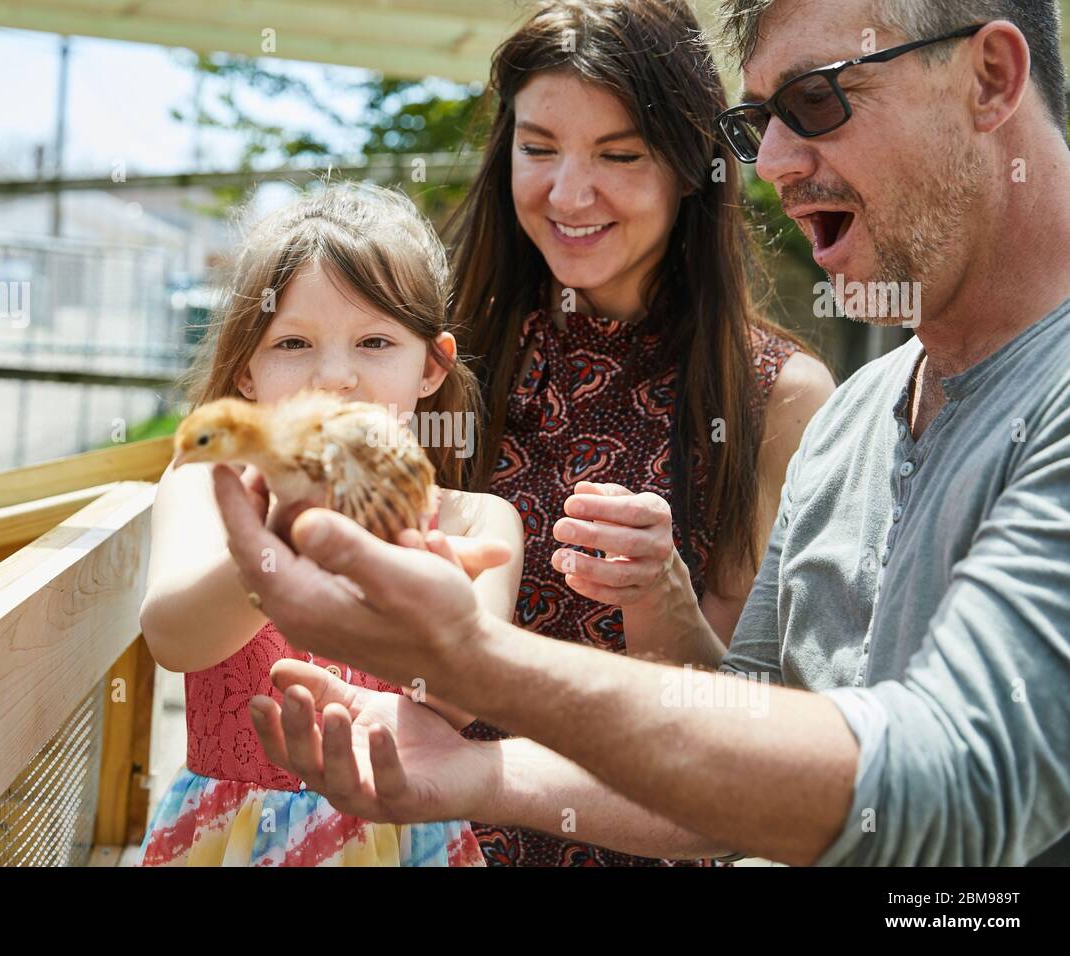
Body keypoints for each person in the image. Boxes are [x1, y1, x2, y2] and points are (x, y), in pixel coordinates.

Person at [221, 0, 1070, 865]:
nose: (771, 161)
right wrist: (479, 775)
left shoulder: (809, 394)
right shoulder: (855, 417)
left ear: (990, 78)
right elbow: (739, 762)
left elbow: (960, 786)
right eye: (758, 122)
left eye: (816, 101)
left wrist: (478, 663)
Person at [441, 0, 833, 865]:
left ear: (693, 164)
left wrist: (661, 597)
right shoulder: (438, 357)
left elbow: (750, 720)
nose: (569, 194)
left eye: (619, 156)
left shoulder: (779, 401)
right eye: (538, 148)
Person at [134, 182, 523, 866]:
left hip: (398, 833)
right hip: (230, 836)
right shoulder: (210, 484)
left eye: (375, 341)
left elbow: (458, 705)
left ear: (431, 367)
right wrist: (275, 543)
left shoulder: (474, 521)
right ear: (246, 370)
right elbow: (173, 637)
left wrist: (433, 599)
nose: (335, 376)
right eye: (292, 343)